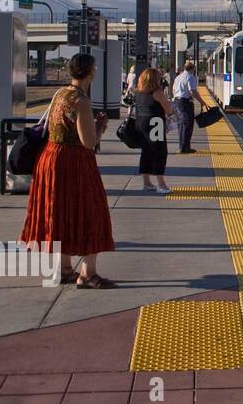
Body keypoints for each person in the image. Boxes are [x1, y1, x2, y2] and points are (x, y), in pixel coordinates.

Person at [20, 53, 116, 288]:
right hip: (74, 163)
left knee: (60, 213)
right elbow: (88, 142)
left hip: (50, 160)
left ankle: (64, 269)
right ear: (91, 71)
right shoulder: (81, 101)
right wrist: (99, 127)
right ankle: (88, 273)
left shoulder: (60, 94)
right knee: (90, 212)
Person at [134, 67, 175, 193]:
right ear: (155, 79)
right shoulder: (157, 92)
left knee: (146, 152)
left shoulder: (139, 91)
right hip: (155, 123)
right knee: (160, 152)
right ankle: (161, 185)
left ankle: (146, 183)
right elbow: (168, 110)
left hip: (141, 122)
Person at [171, 60, 207, 154]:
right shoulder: (190, 77)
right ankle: (185, 147)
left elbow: (173, 89)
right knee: (187, 124)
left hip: (177, 101)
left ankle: (182, 146)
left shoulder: (178, 77)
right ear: (193, 69)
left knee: (181, 124)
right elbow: (193, 91)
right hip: (185, 102)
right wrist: (202, 102)